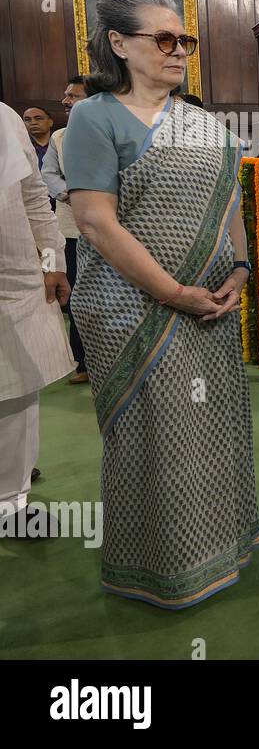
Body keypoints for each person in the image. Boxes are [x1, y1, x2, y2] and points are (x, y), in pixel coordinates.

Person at [62, 0, 259, 608]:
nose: (180, 51)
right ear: (119, 43)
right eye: (165, 38)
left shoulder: (203, 124)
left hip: (210, 305)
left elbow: (230, 201)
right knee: (155, 433)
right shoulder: (93, 116)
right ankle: (156, 568)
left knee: (212, 426)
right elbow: (96, 221)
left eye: (186, 40)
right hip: (133, 311)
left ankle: (220, 548)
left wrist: (242, 267)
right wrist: (175, 292)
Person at [0, 101, 73, 539]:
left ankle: (11, 498)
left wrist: (53, 261)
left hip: (14, 277)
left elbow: (33, 197)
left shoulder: (4, 118)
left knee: (17, 390)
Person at [42, 77, 91, 384]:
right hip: (71, 228)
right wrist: (71, 194)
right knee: (75, 295)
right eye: (65, 95)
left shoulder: (111, 132)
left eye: (73, 95)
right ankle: (82, 362)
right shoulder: (59, 136)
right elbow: (47, 173)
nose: (65, 101)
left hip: (108, 229)